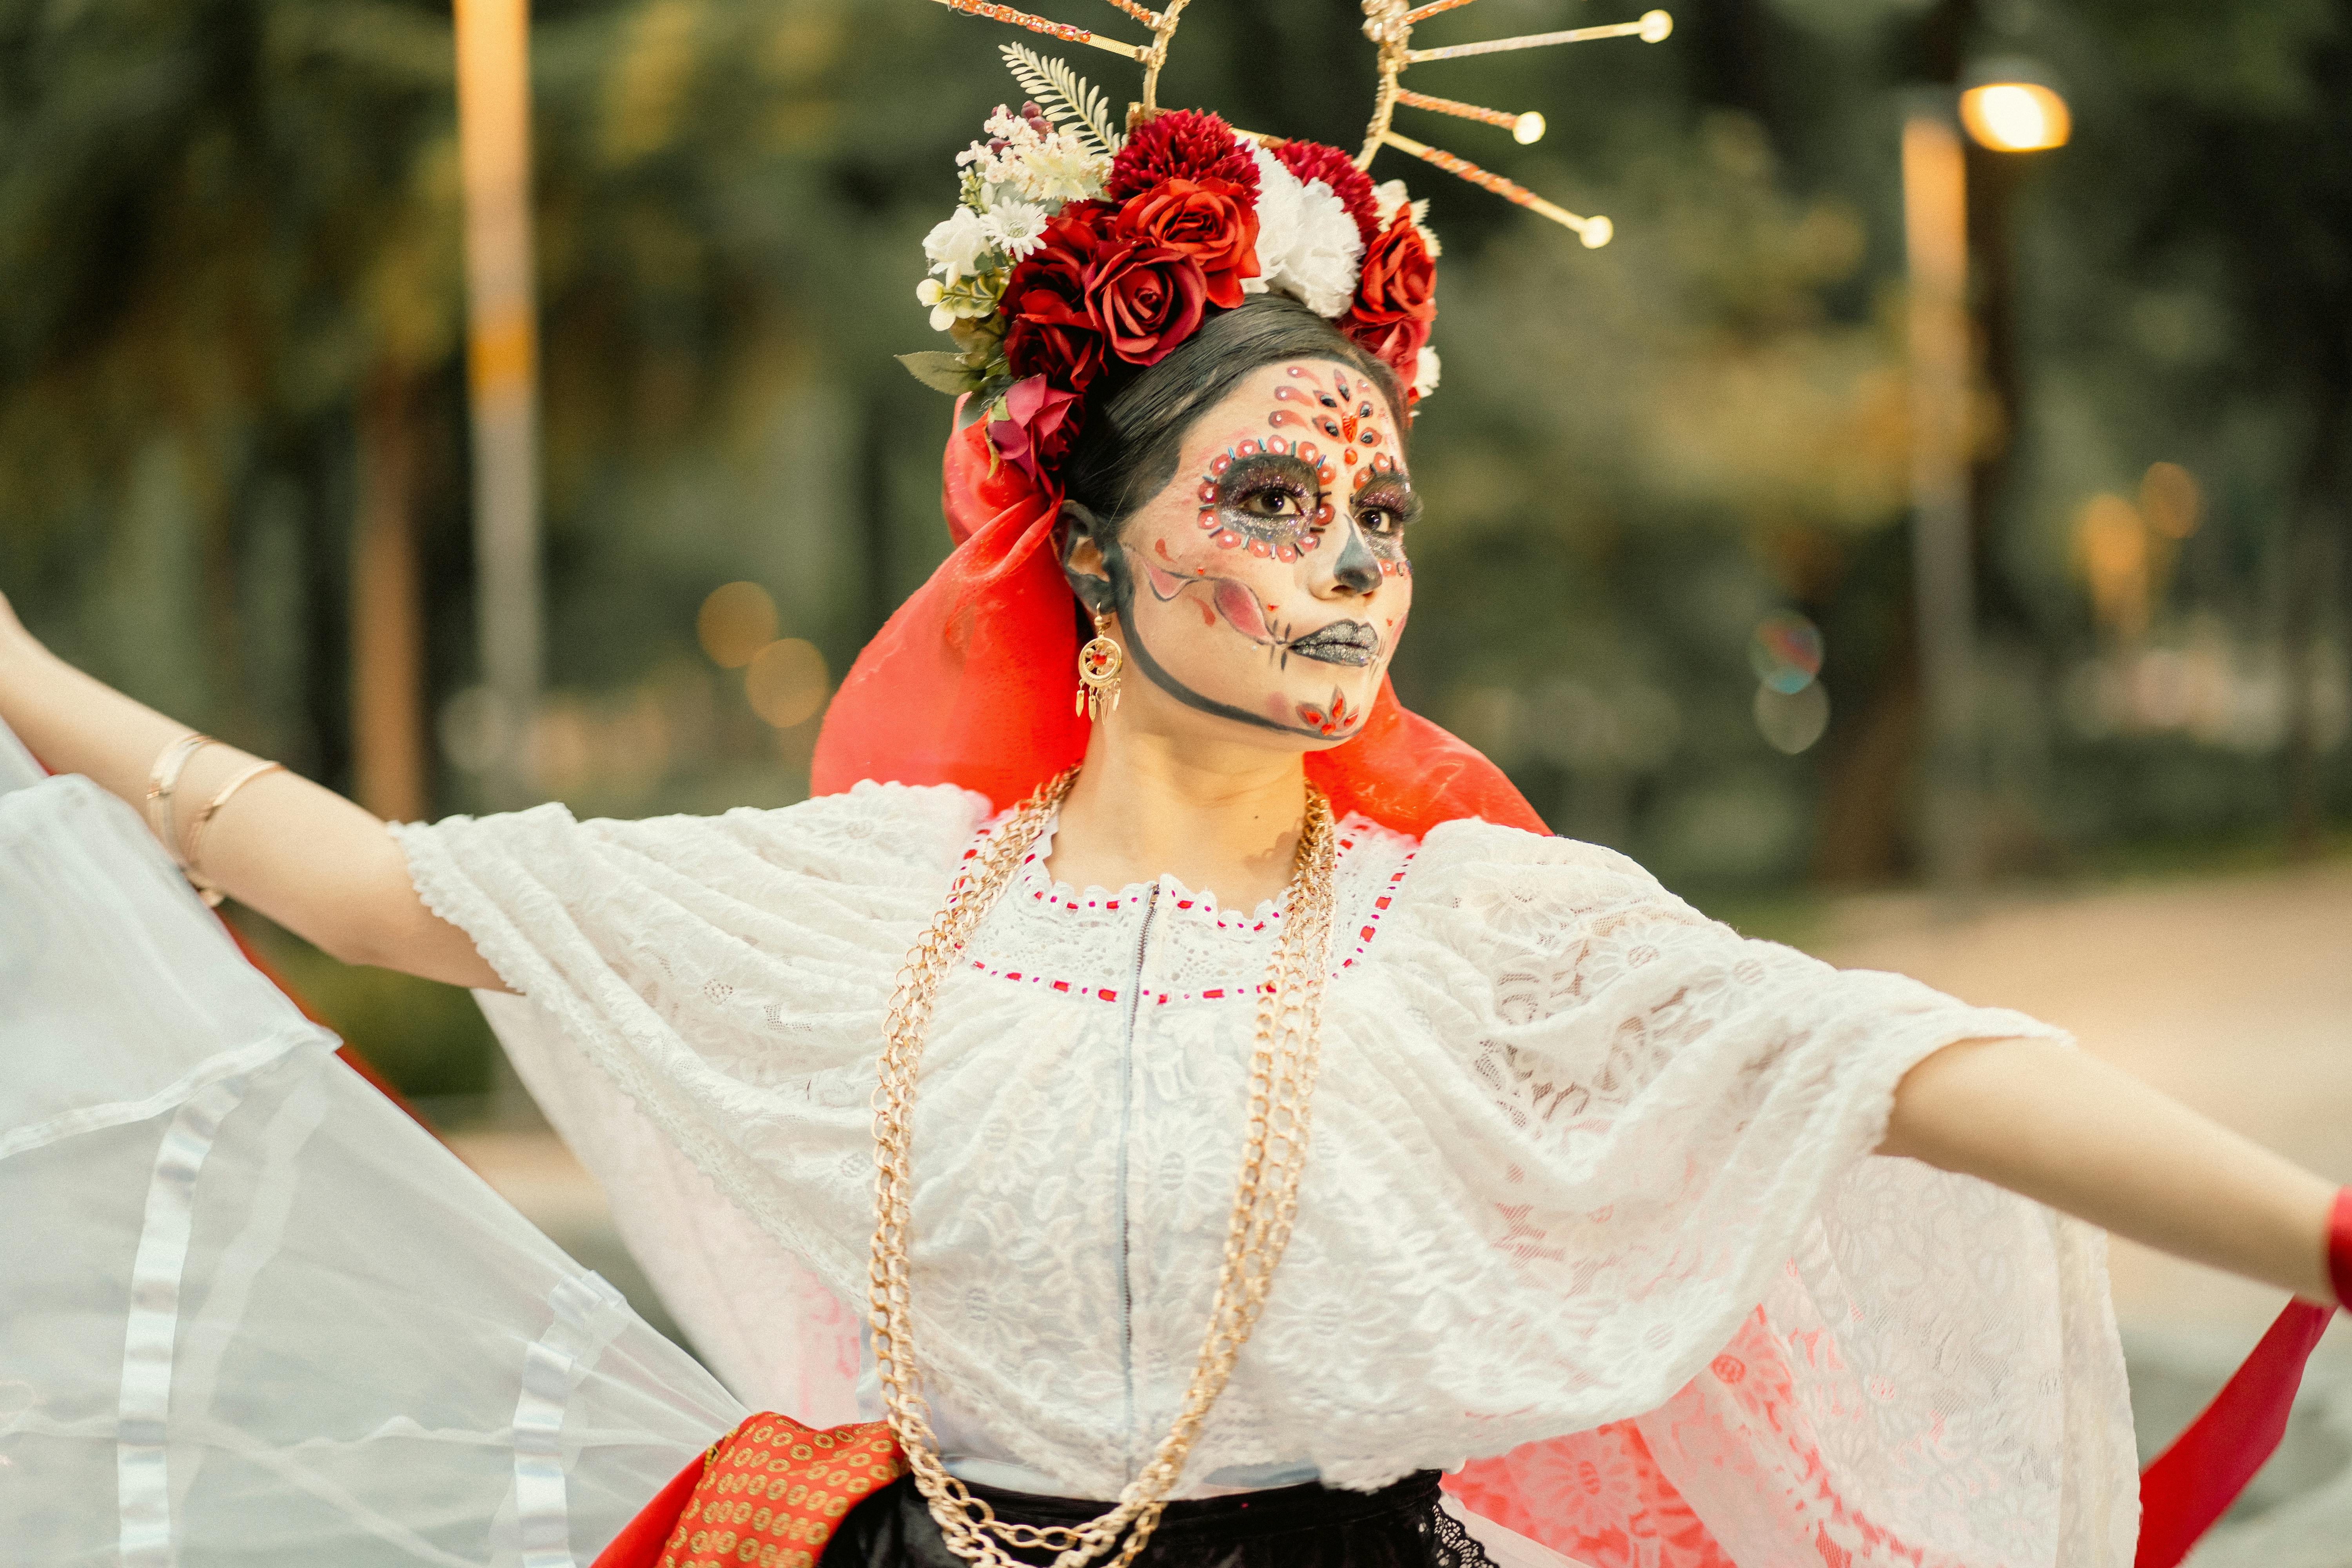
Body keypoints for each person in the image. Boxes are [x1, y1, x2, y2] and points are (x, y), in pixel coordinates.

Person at [1, 81, 2346, 1568]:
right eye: (1272, 493)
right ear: (1094, 554)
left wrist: (2320, 1230)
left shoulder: (1472, 932)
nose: (1349, 556)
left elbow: (1908, 1064)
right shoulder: (887, 908)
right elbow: (368, 879)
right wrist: (21, 682)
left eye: (1381, 508)